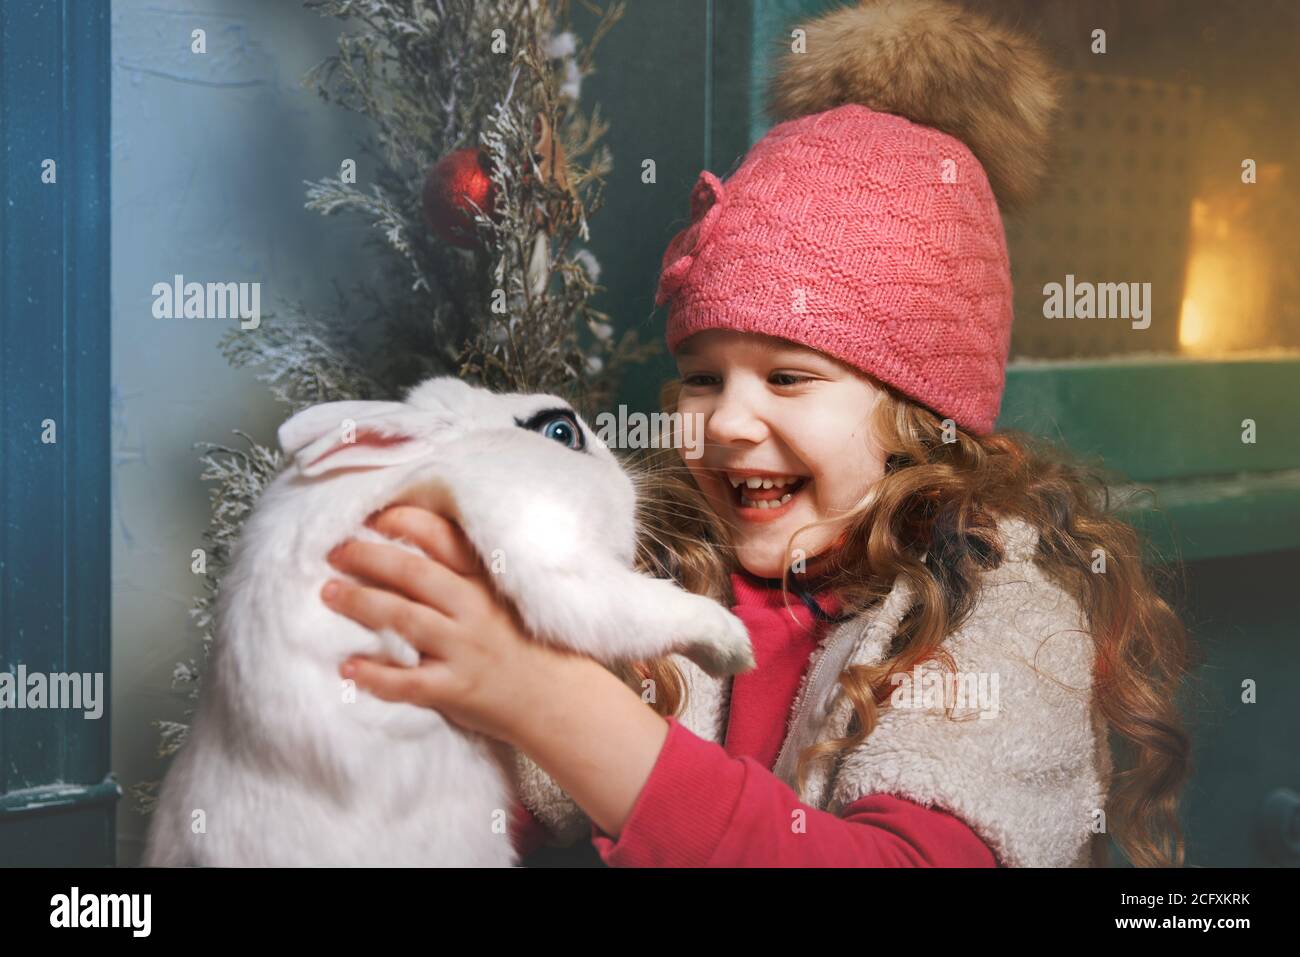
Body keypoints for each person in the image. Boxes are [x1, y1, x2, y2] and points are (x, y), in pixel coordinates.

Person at [317, 0, 1193, 867]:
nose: (728, 421)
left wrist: (552, 698)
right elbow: (477, 790)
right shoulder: (682, 576)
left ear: (924, 415)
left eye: (787, 377)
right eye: (702, 376)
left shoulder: (1005, 615)